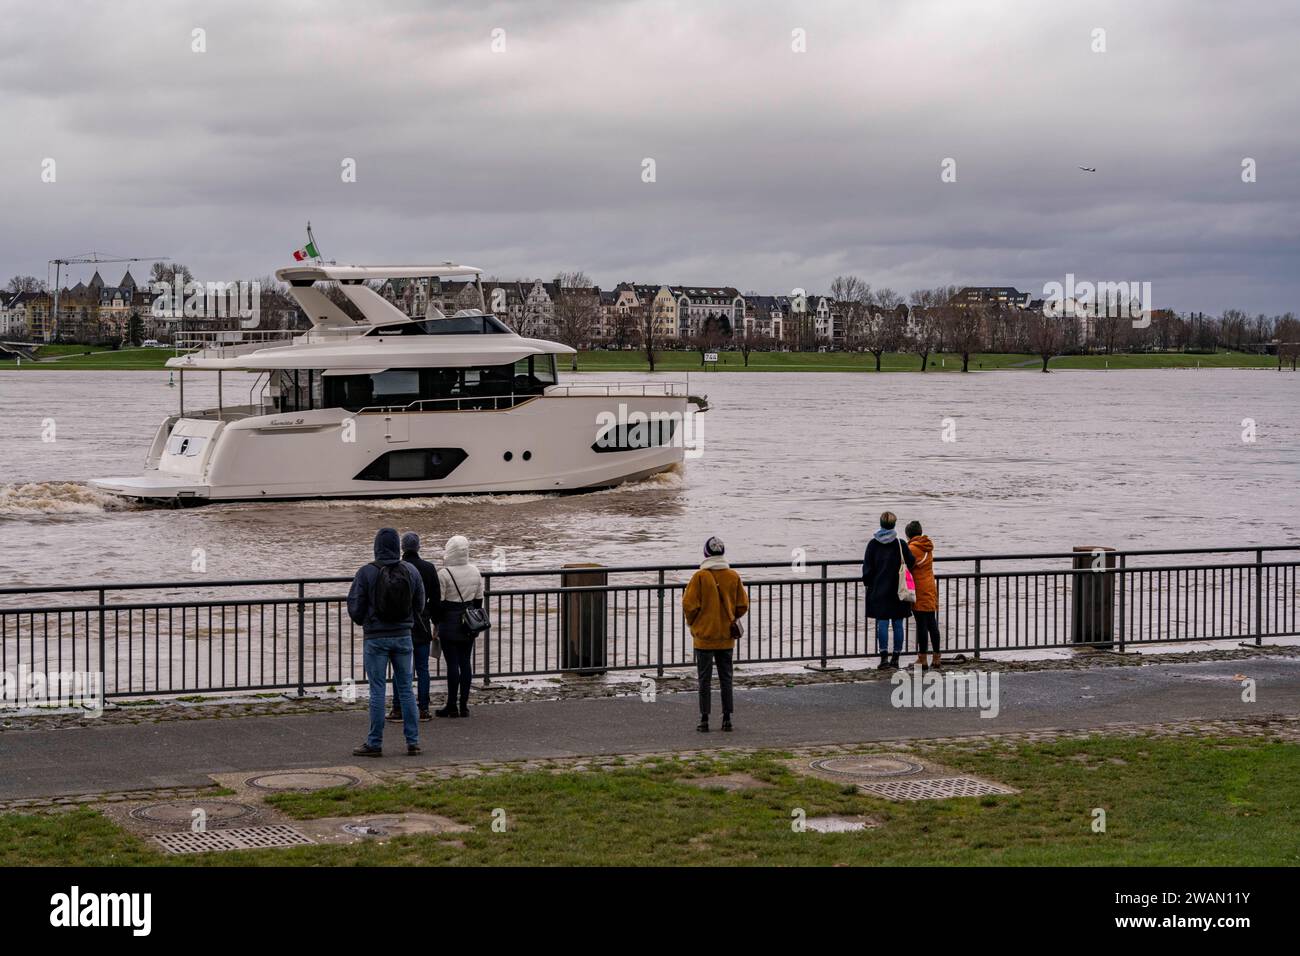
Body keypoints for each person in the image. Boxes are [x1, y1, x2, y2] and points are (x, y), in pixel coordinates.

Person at [347, 527, 425, 756]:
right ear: (397, 546)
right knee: (406, 689)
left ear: (376, 546)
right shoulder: (410, 570)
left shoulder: (366, 572)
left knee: (377, 690)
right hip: (403, 636)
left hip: (376, 638)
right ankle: (413, 741)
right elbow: (419, 604)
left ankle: (374, 742)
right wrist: (407, 621)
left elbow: (355, 606)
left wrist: (366, 622)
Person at [682, 536, 749, 733]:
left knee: (704, 679)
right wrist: (730, 617)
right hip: (726, 637)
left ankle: (704, 719)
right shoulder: (733, 576)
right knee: (726, 677)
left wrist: (693, 623)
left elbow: (689, 605)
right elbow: (742, 605)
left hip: (704, 638)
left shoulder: (699, 577)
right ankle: (727, 719)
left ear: (706, 554)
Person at [387, 532, 441, 722]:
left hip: (401, 625)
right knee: (423, 668)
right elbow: (435, 599)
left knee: (400, 669)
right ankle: (424, 709)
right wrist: (436, 623)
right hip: (422, 624)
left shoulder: (395, 568)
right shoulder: (428, 568)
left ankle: (398, 708)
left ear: (402, 547)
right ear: (418, 547)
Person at [435, 534, 483, 718]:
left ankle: (451, 705)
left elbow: (439, 602)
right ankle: (464, 705)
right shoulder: (475, 571)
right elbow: (479, 600)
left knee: (452, 663)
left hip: (449, 622)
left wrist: (436, 624)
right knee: (465, 662)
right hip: (468, 623)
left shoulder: (444, 573)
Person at [862, 511, 916, 671]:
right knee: (898, 624)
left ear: (880, 524)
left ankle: (884, 657)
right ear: (894, 525)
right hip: (899, 590)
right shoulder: (900, 544)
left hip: (879, 591)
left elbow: (867, 570)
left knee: (883, 624)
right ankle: (896, 658)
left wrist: (870, 583)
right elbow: (911, 563)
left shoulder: (872, 545)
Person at [906, 520, 940, 669]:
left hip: (919, 588)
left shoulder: (912, 548)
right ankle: (937, 657)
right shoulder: (927, 546)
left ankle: (922, 659)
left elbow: (906, 565)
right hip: (930, 587)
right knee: (932, 623)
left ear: (908, 534)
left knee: (921, 624)